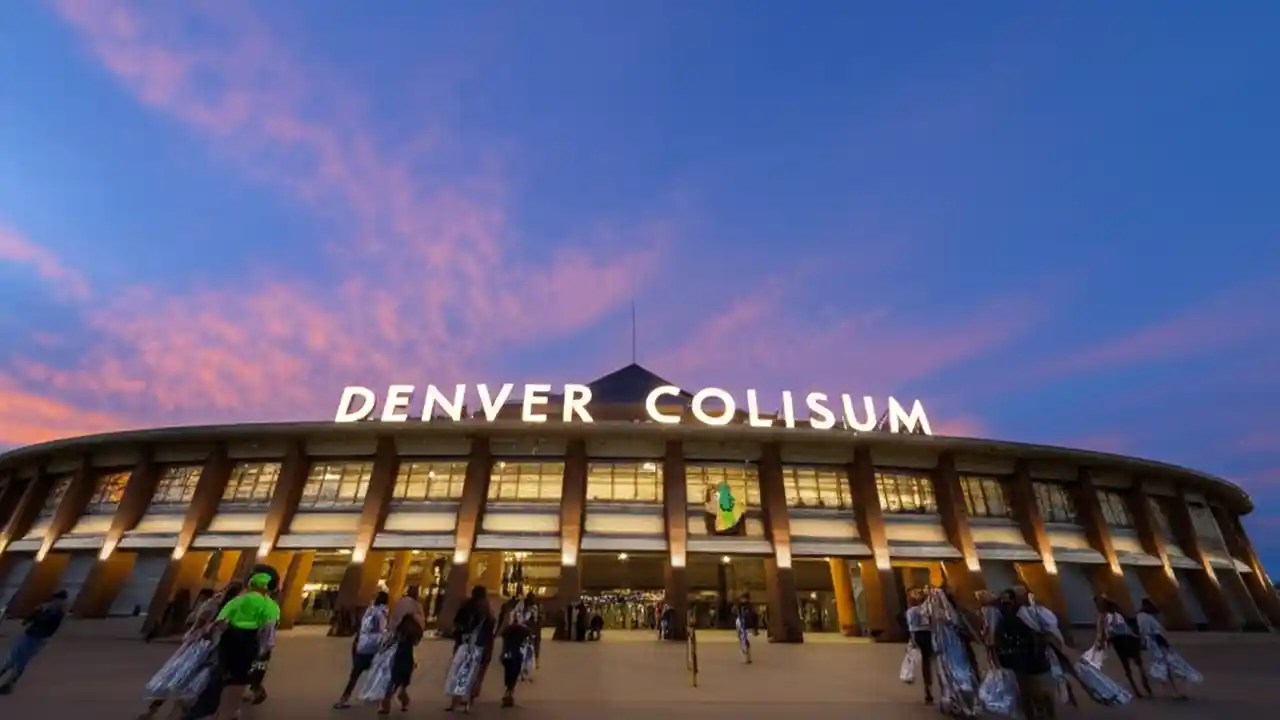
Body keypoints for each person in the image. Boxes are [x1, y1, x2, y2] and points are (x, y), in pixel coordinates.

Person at [211, 573, 280, 720]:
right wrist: (263, 650)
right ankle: (230, 712)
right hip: (250, 642)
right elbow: (269, 631)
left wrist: (226, 633)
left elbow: (220, 621)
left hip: (229, 639)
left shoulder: (238, 600)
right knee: (240, 677)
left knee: (224, 674)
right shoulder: (270, 606)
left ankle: (220, 710)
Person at [994, 589, 1056, 720]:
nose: (1006, 606)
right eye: (1003, 603)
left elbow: (1044, 633)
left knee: (1042, 693)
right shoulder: (1003, 619)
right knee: (1025, 693)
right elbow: (1000, 639)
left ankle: (1047, 714)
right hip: (1018, 661)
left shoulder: (1030, 614)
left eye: (1008, 602)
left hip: (1035, 660)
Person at [0, 590, 68, 695]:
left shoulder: (57, 613)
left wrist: (37, 614)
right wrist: (34, 614)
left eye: (57, 599)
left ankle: (9, 684)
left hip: (37, 638)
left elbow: (44, 623)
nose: (55, 601)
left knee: (20, 660)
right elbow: (28, 620)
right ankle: (8, 683)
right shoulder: (50, 610)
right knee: (14, 657)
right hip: (31, 635)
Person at [334, 591, 390, 709]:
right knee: (382, 672)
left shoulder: (369, 611)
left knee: (354, 675)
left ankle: (344, 698)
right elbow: (382, 630)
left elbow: (362, 628)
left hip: (362, 646)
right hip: (374, 647)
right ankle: (380, 698)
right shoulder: (381, 613)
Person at [445, 586, 496, 712]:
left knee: (460, 672)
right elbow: (490, 632)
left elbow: (457, 623)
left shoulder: (466, 606)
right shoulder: (488, 611)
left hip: (465, 644)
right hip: (482, 646)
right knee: (476, 675)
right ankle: (469, 703)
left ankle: (455, 702)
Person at [1136, 598, 1195, 700]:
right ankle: (1173, 692)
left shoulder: (1143, 617)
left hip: (1156, 645)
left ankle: (1172, 691)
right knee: (1166, 669)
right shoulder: (1145, 618)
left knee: (1165, 670)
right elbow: (1148, 633)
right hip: (1156, 646)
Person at [1093, 596, 1152, 698]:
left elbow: (1103, 632)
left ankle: (1138, 686)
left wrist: (1102, 642)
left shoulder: (1105, 616)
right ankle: (1140, 684)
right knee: (1135, 662)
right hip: (1125, 638)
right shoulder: (1112, 613)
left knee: (1129, 664)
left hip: (1121, 639)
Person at [380, 610, 421, 715]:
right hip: (408, 659)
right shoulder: (414, 633)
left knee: (392, 683)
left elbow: (392, 641)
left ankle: (386, 706)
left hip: (399, 658)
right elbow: (416, 643)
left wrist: (383, 648)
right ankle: (404, 703)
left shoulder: (400, 631)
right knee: (403, 684)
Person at [498, 606, 533, 707]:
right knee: (514, 673)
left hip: (508, 654)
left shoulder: (508, 629)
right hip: (518, 655)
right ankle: (509, 691)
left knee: (508, 672)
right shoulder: (525, 630)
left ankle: (508, 691)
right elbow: (528, 645)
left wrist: (502, 653)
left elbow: (504, 642)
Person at [732, 593, 754, 664]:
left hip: (745, 624)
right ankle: (745, 652)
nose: (742, 600)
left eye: (744, 598)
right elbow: (734, 611)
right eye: (742, 598)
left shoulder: (749, 606)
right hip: (740, 622)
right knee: (741, 637)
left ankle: (747, 655)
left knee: (744, 638)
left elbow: (752, 615)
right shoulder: (739, 605)